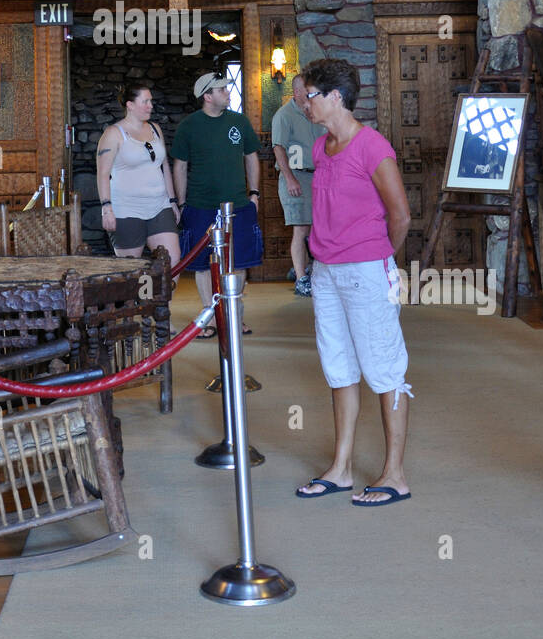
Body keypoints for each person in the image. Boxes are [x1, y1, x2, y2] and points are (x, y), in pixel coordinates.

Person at [294, 58, 414, 507]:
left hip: (366, 270)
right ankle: (341, 468)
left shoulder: (372, 147)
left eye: (311, 96)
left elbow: (400, 216)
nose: (305, 103)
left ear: (335, 97)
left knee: (385, 370)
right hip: (326, 272)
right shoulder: (324, 146)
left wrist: (379, 257)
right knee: (339, 368)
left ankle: (394, 475)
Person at [171, 73, 262, 338]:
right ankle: (209, 316)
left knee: (239, 259)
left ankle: (234, 314)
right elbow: (180, 166)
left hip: (238, 203)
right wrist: (182, 202)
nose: (228, 92)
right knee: (202, 262)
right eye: (221, 90)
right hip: (200, 204)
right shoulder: (189, 126)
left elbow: (251, 157)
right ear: (207, 96)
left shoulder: (239, 121)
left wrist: (254, 193)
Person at [95, 83, 180, 267]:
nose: (151, 105)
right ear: (130, 105)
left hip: (159, 206)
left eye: (151, 101)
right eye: (145, 101)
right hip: (127, 209)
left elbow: (164, 165)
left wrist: (172, 200)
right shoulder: (113, 134)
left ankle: (155, 296)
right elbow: (103, 174)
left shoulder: (155, 129)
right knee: (133, 271)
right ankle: (141, 296)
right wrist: (106, 208)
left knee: (171, 262)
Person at [271, 73, 325, 296]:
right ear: (296, 92)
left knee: (316, 227)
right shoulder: (284, 115)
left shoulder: (315, 111)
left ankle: (303, 269)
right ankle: (302, 280)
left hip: (317, 176)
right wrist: (290, 177)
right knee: (300, 228)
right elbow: (278, 147)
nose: (312, 91)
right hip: (295, 176)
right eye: (308, 89)